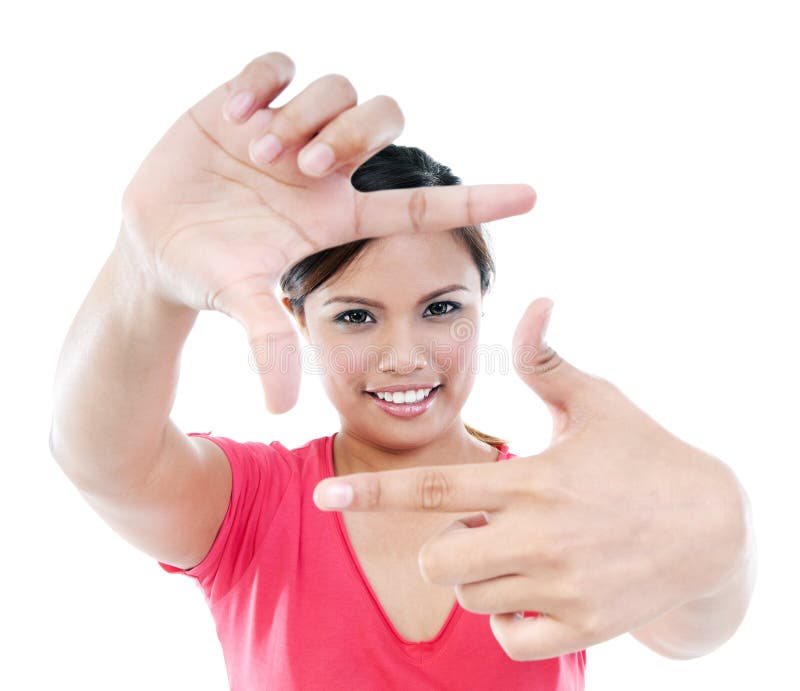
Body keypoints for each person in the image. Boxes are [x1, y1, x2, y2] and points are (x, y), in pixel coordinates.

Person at [49, 50, 755, 690]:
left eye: (441, 308)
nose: (406, 356)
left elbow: (691, 631)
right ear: (301, 320)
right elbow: (99, 455)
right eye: (356, 315)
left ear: (482, 304)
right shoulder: (253, 508)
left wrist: (721, 533)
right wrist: (144, 263)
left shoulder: (552, 507)